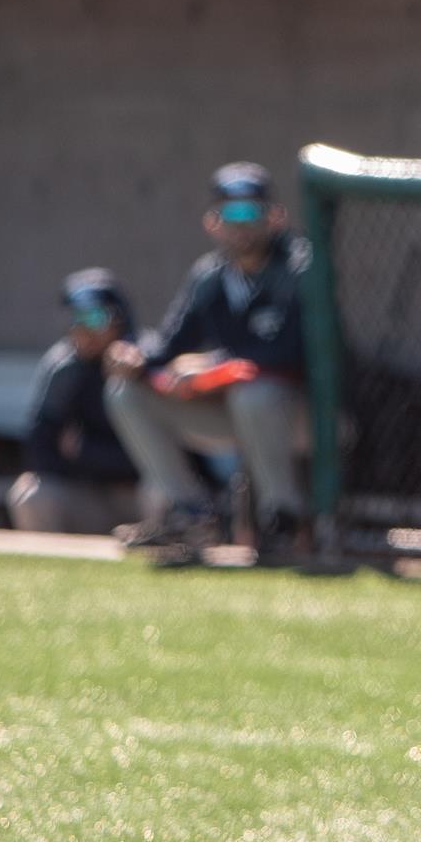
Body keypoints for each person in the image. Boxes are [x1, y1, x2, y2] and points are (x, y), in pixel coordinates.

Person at [105, 163, 313, 564]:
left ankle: (282, 518)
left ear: (275, 217)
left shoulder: (299, 267)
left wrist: (212, 366)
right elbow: (168, 346)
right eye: (231, 215)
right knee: (125, 390)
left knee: (253, 392)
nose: (241, 226)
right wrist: (135, 356)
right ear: (212, 223)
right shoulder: (210, 276)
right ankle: (190, 514)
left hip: (305, 417)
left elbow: (290, 353)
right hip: (238, 414)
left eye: (250, 213)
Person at [6, 269, 148, 535]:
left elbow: (165, 458)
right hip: (89, 498)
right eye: (77, 318)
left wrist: (83, 452)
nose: (84, 329)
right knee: (31, 495)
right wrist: (96, 461)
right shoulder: (64, 368)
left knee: (164, 498)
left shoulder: (146, 359)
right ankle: (48, 576)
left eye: (95, 317)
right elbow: (39, 451)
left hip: (140, 498)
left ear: (119, 320)